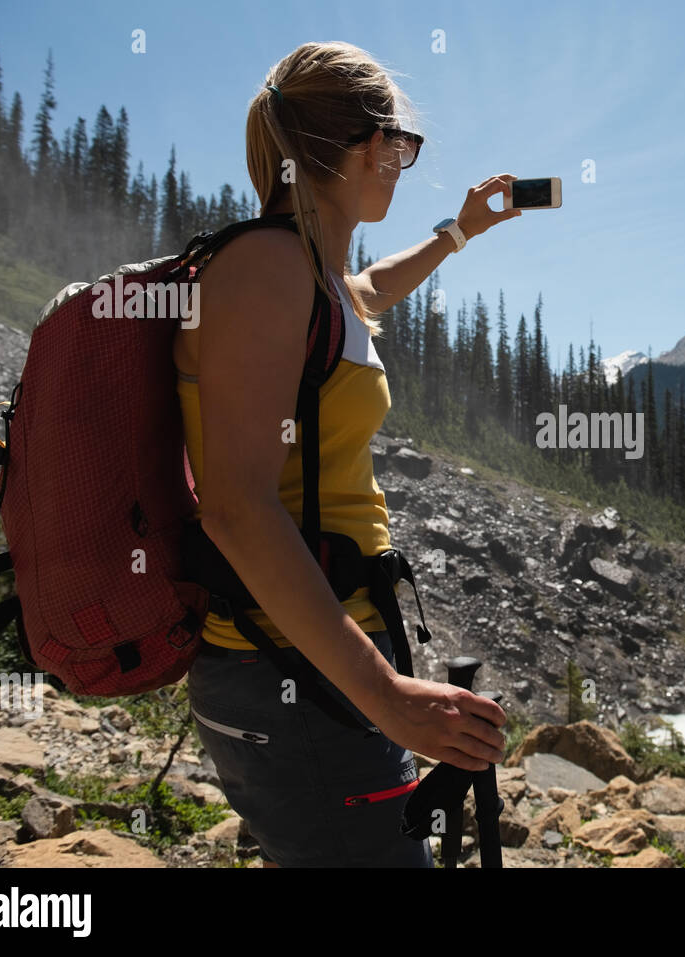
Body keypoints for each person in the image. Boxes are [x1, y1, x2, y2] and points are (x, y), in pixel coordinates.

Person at [172, 40, 517, 867]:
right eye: (402, 147)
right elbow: (234, 506)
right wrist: (387, 696)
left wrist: (458, 233)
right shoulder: (266, 269)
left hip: (312, 663)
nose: (403, 164)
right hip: (286, 674)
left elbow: (369, 292)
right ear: (371, 147)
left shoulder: (309, 273)